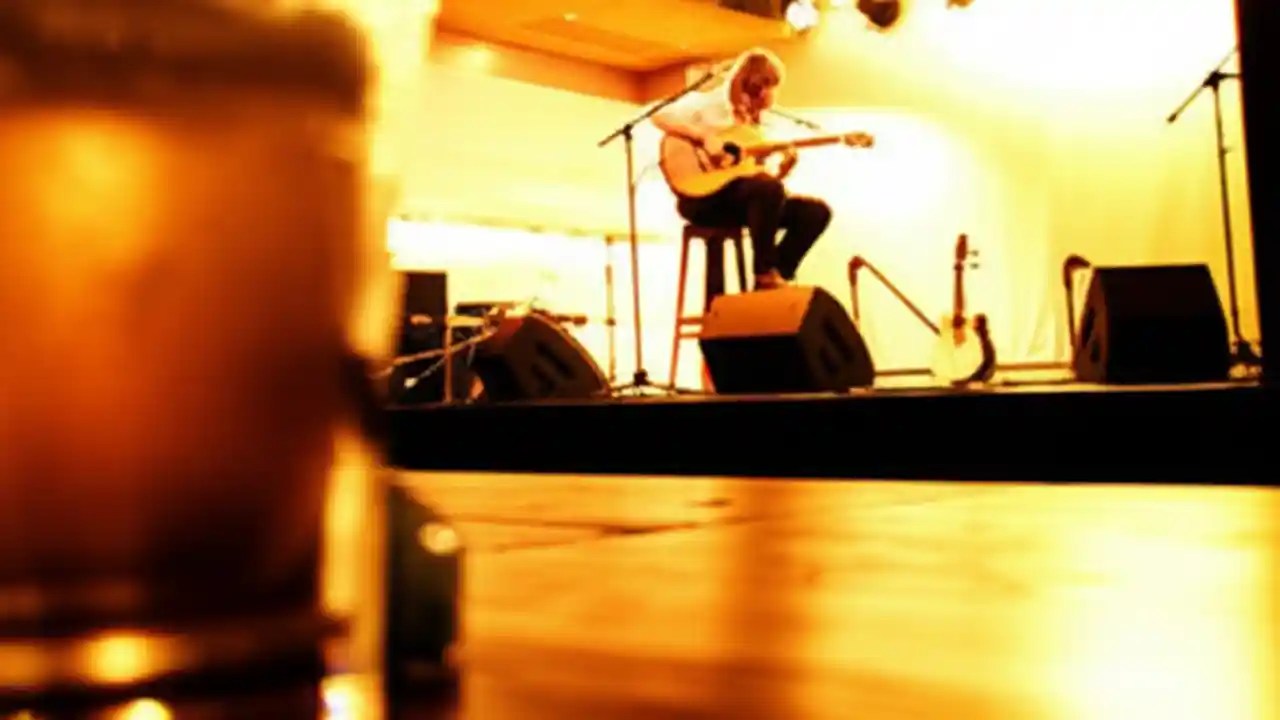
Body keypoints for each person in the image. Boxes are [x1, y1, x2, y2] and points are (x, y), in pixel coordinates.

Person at [651, 48, 832, 290]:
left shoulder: (756, 127)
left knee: (814, 212)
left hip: (740, 203)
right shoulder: (710, 104)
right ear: (747, 86)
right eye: (753, 98)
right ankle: (764, 272)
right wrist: (704, 136)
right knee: (767, 189)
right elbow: (659, 114)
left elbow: (759, 185)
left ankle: (774, 279)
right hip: (700, 200)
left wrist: (783, 171)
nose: (752, 108)